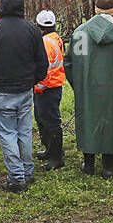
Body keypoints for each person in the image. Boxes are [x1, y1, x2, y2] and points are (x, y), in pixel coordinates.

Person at [0, 0, 48, 192]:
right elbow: (42, 61)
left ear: (2, 6)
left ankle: (17, 178)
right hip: (25, 90)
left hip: (1, 91)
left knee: (7, 134)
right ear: (22, 6)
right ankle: (27, 171)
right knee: (24, 131)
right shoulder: (32, 30)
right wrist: (35, 79)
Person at [67, 0, 113, 178]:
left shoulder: (80, 32)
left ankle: (88, 164)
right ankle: (109, 166)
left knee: (86, 118)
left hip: (86, 86)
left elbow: (72, 62)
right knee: (110, 120)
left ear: (95, 9)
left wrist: (79, 84)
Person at [33, 10, 66, 170]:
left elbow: (44, 68)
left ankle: (56, 157)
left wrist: (38, 86)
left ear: (38, 25)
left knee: (50, 121)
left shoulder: (45, 42)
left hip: (47, 87)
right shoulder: (55, 38)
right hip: (53, 85)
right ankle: (50, 151)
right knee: (44, 119)